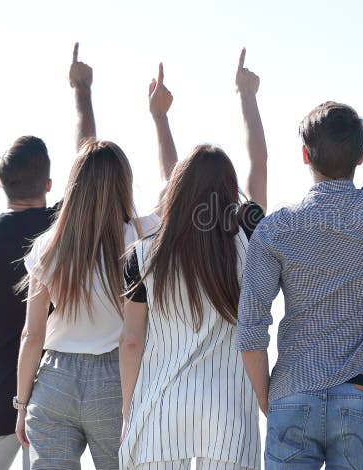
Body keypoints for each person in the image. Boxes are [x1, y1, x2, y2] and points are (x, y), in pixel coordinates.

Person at [237, 0, 363, 470]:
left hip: (293, 392)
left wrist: (270, 400)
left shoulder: (275, 231)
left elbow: (251, 329)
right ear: (361, 157)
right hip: (362, 392)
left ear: (305, 156)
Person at [13, 56, 173, 469]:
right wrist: (160, 119)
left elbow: (32, 335)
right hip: (115, 378)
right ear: (123, 183)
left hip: (53, 377)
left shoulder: (49, 245)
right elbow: (173, 188)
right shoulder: (138, 236)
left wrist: (21, 403)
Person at [0, 42, 97, 470]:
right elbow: (89, 157)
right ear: (49, 184)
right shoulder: (64, 226)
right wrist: (82, 91)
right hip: (57, 394)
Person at [118, 49, 267, 470]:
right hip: (230, 422)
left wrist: (129, 411)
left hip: (158, 420)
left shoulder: (144, 256)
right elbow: (259, 165)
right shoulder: (251, 240)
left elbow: (131, 342)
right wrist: (247, 96)